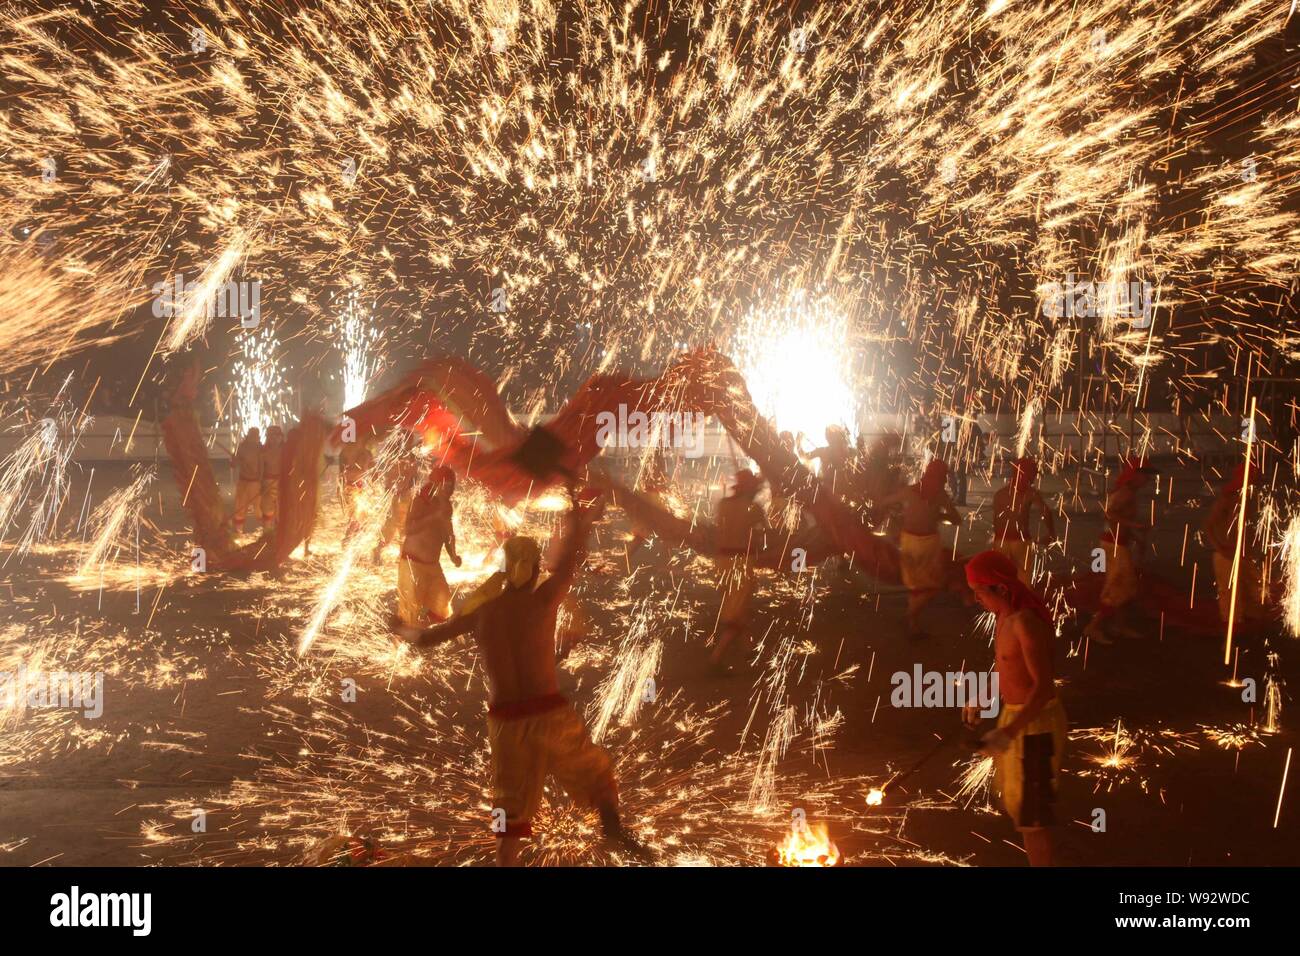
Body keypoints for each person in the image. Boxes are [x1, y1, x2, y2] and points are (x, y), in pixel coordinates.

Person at [403, 487, 650, 866]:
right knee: (595, 772)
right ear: (534, 569)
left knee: (507, 812)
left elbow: (422, 639)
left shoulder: (481, 614)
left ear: (503, 569)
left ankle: (507, 857)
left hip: (505, 724)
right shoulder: (543, 599)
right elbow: (568, 563)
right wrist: (583, 517)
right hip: (551, 714)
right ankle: (611, 824)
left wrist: (397, 627)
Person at [963, 550, 1066, 868]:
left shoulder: (1025, 623)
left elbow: (1043, 687)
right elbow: (1004, 666)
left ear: (1002, 589)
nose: (977, 600)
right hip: (1017, 719)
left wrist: (1008, 732)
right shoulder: (1003, 618)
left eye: (980, 592)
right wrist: (981, 697)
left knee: (1032, 817)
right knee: (1021, 809)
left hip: (1036, 726)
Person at [880, 459, 963, 639]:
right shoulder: (930, 494)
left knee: (925, 584)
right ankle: (911, 620)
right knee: (928, 584)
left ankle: (911, 619)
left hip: (922, 543)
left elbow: (956, 519)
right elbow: (956, 519)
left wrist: (934, 515)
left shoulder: (919, 493)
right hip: (917, 543)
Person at [1083, 455, 1156, 644]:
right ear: (1135, 475)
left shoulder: (1127, 492)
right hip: (1114, 545)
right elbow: (1109, 515)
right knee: (1119, 587)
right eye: (1145, 474)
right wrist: (1138, 527)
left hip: (1114, 543)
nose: (1149, 479)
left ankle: (1119, 626)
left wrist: (1136, 538)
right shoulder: (1126, 493)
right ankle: (1093, 627)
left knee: (1122, 585)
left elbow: (1117, 522)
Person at [710, 468, 769, 674]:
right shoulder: (753, 508)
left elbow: (718, 531)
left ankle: (748, 649)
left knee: (738, 606)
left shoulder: (723, 505)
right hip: (742, 562)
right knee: (735, 613)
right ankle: (716, 659)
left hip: (721, 562)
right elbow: (767, 535)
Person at [1203, 461, 1271, 637]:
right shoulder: (1226, 499)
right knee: (1230, 595)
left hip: (1242, 554)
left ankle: (1252, 625)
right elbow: (1208, 526)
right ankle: (1233, 633)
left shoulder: (1247, 498)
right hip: (1225, 554)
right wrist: (1220, 548)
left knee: (1255, 589)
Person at [397, 466, 461, 625]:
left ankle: (418, 634)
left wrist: (453, 555)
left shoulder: (446, 505)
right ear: (436, 485)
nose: (450, 491)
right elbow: (409, 529)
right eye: (447, 486)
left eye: (452, 487)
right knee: (408, 615)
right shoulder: (420, 501)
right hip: (413, 565)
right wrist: (434, 516)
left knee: (443, 609)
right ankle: (399, 642)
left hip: (433, 566)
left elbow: (448, 534)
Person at [992, 457, 1056, 586]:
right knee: (1024, 580)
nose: (1033, 479)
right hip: (1020, 541)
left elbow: (996, 521)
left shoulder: (999, 494)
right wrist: (1051, 532)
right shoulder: (1030, 493)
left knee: (1001, 579)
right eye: (1033, 475)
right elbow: (1046, 512)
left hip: (1000, 541)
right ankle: (1021, 602)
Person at [230, 428, 263, 533]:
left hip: (256, 483)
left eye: (255, 435)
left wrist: (262, 482)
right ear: (248, 436)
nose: (254, 437)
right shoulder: (242, 448)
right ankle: (239, 532)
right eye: (252, 435)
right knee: (240, 508)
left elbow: (264, 466)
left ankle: (266, 531)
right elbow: (234, 465)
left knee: (260, 509)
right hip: (243, 482)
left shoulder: (261, 448)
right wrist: (234, 460)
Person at [260, 425, 283, 530]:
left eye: (275, 437)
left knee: (281, 509)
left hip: (282, 483)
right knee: (267, 509)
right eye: (271, 437)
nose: (273, 439)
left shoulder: (286, 450)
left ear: (280, 437)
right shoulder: (263, 451)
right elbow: (259, 468)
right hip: (267, 483)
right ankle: (267, 534)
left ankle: (280, 533)